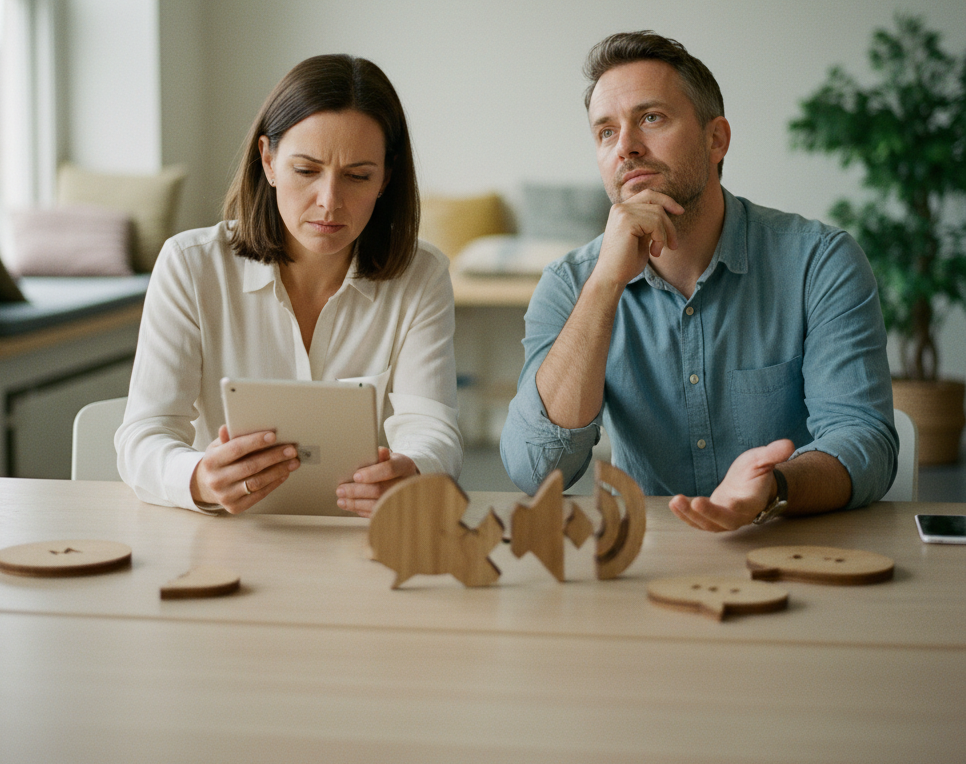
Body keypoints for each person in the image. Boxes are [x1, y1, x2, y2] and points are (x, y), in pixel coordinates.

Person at [500, 31, 896, 531]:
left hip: (788, 543)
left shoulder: (819, 263)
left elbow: (864, 439)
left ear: (716, 139)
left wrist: (772, 489)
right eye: (605, 131)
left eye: (650, 118)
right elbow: (535, 469)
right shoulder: (570, 284)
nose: (625, 148)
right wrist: (604, 286)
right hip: (644, 563)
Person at [117, 54, 462, 517]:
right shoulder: (190, 266)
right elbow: (143, 438)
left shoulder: (421, 277)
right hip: (228, 537)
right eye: (306, 170)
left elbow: (433, 431)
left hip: (362, 542)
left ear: (386, 179)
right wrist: (200, 477)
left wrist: (414, 470)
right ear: (269, 160)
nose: (329, 202)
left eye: (358, 176)